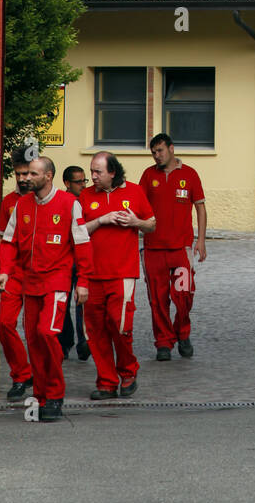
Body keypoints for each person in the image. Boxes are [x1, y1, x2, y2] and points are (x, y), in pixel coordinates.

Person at [0, 156, 91, 422]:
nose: (26, 178)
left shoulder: (69, 203)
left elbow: (83, 246)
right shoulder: (22, 205)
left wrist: (82, 281)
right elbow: (9, 242)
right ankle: (40, 397)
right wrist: (5, 270)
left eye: (33, 174)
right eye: (25, 175)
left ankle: (55, 394)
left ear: (48, 176)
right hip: (29, 282)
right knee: (35, 340)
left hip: (57, 281)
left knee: (47, 334)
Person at [80, 151, 155, 398]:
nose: (93, 177)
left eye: (98, 172)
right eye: (91, 171)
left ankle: (128, 371)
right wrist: (101, 220)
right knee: (95, 329)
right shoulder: (86, 196)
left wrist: (136, 222)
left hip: (122, 273)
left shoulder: (134, 192)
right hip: (92, 274)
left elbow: (152, 223)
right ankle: (106, 381)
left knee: (120, 325)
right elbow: (78, 231)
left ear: (112, 172)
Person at [139, 133, 207, 359]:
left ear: (171, 148)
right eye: (153, 152)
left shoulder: (189, 174)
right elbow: (139, 207)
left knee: (184, 294)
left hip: (181, 249)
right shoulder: (149, 175)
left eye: (160, 151)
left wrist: (200, 240)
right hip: (153, 249)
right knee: (157, 300)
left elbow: (200, 208)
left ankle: (182, 332)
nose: (157, 156)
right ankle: (163, 343)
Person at [0, 152, 33, 401]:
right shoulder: (9, 202)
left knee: (39, 331)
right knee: (5, 324)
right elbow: (2, 240)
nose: (23, 179)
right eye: (19, 174)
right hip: (12, 273)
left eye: (27, 174)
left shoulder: (52, 200)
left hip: (40, 274)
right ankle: (21, 374)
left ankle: (43, 376)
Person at [59, 165, 91, 361]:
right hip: (65, 259)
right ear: (67, 183)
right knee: (62, 301)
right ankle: (65, 340)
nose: (83, 185)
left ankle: (83, 342)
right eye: (79, 182)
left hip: (81, 259)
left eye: (84, 180)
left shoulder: (87, 200)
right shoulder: (62, 202)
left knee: (82, 301)